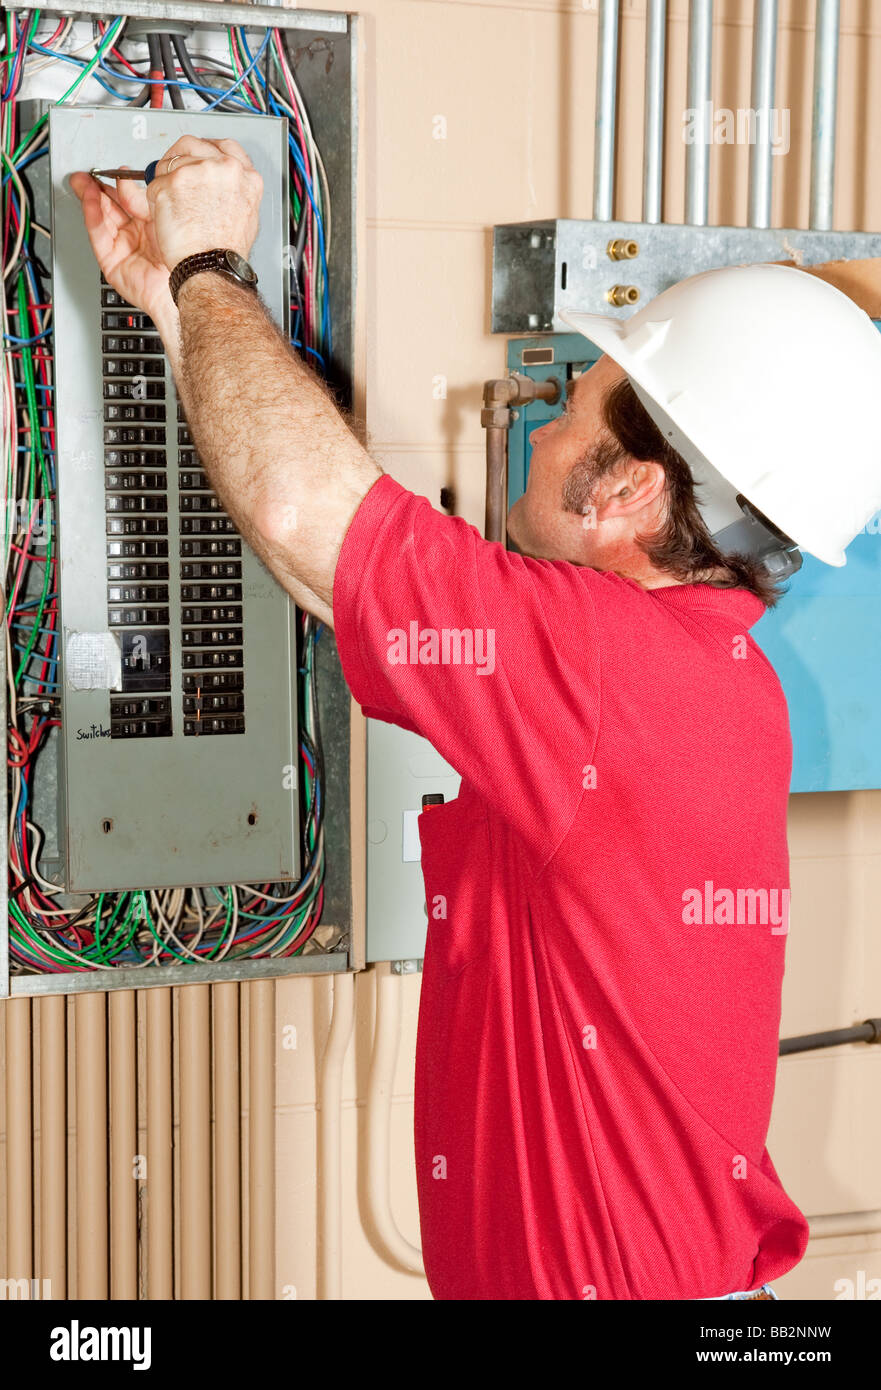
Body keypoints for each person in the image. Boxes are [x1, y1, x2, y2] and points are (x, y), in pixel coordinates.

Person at [70, 136, 881, 1300]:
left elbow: (308, 506)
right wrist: (174, 309)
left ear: (626, 489)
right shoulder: (678, 670)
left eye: (570, 401)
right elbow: (327, 569)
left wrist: (209, 264)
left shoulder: (610, 672)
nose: (539, 421)